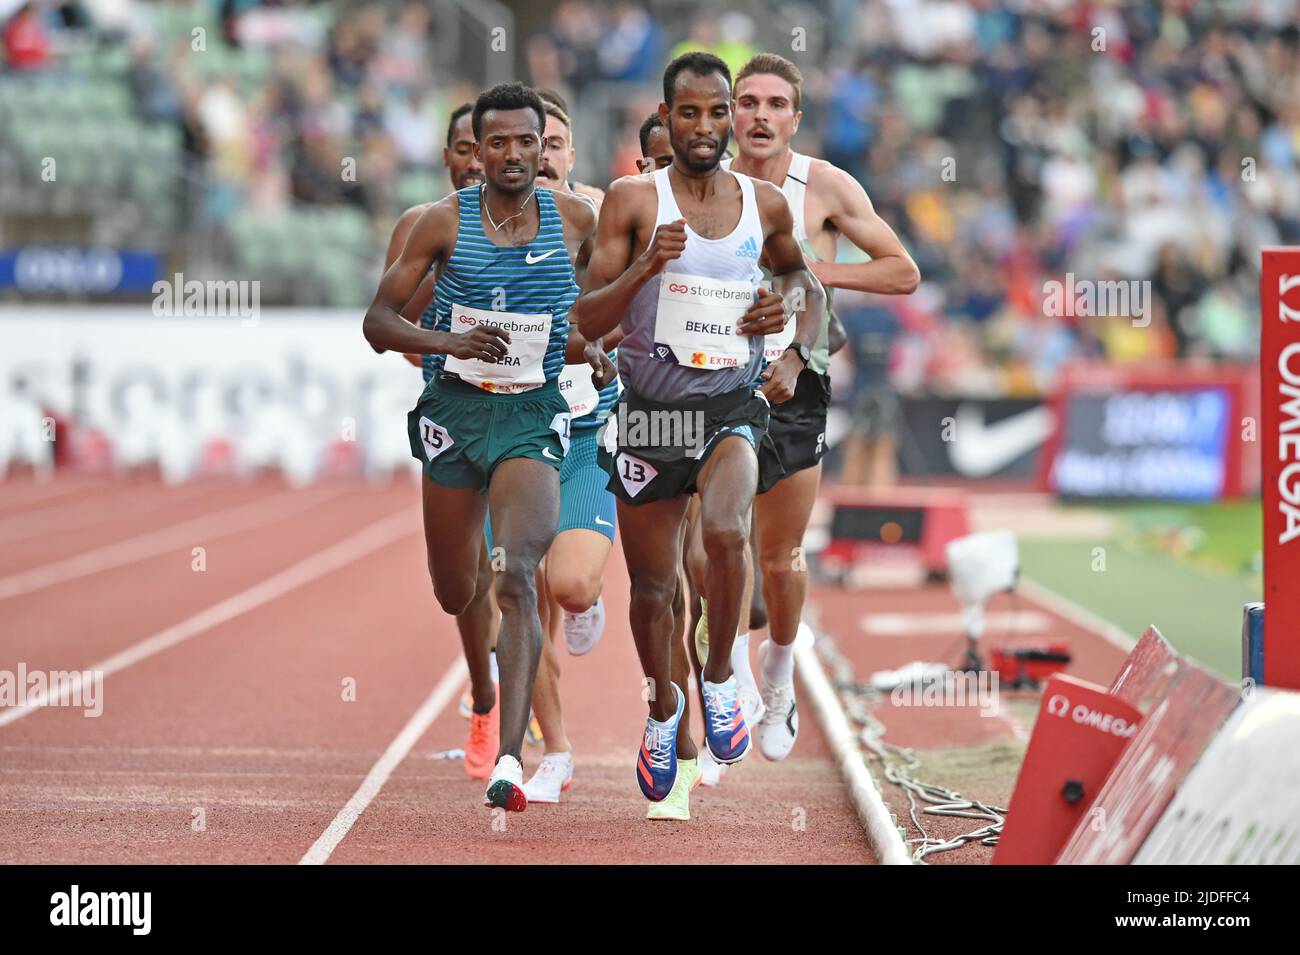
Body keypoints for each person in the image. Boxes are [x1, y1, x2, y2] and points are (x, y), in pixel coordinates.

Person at [571, 52, 824, 808]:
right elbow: (584, 320)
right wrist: (647, 267)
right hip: (650, 411)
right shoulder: (631, 199)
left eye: (719, 112)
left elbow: (800, 282)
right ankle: (661, 707)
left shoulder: (764, 204)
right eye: (691, 113)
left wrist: (789, 337)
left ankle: (719, 679)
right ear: (667, 116)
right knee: (651, 588)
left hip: (728, 407)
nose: (708, 127)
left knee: (724, 532)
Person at [363, 83, 605, 812]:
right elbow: (378, 322)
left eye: (524, 141)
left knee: (519, 572)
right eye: (494, 142)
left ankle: (509, 754)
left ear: (543, 147)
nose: (509, 154)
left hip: (532, 414)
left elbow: (600, 308)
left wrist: (599, 347)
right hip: (454, 413)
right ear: (474, 149)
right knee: (455, 587)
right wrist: (448, 340)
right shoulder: (440, 223)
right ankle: (484, 687)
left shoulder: (576, 220)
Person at [723, 53, 918, 759]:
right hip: (711, 383)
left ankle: (778, 666)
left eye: (777, 104)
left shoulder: (826, 185)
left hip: (797, 383)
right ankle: (726, 680)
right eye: (748, 102)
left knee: (779, 556)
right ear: (730, 112)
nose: (761, 116)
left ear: (795, 118)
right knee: (712, 542)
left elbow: (904, 272)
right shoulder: (702, 184)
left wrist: (810, 270)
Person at [517, 98, 621, 805]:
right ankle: (554, 751)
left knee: (571, 585)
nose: (544, 155)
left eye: (556, 142)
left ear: (571, 154)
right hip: (511, 432)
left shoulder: (602, 217)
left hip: (584, 432)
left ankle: (585, 592)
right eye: (532, 144)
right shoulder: (478, 225)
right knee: (513, 601)